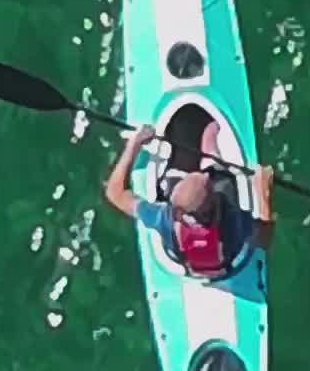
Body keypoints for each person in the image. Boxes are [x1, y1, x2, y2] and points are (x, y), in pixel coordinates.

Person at [103, 113, 274, 279]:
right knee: (210, 146)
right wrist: (263, 193)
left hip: (189, 264)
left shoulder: (165, 220)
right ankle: (211, 131)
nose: (205, 176)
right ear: (213, 201)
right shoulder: (233, 222)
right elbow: (265, 238)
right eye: (205, 181)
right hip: (225, 261)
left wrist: (134, 145)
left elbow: (114, 193)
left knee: (171, 179)